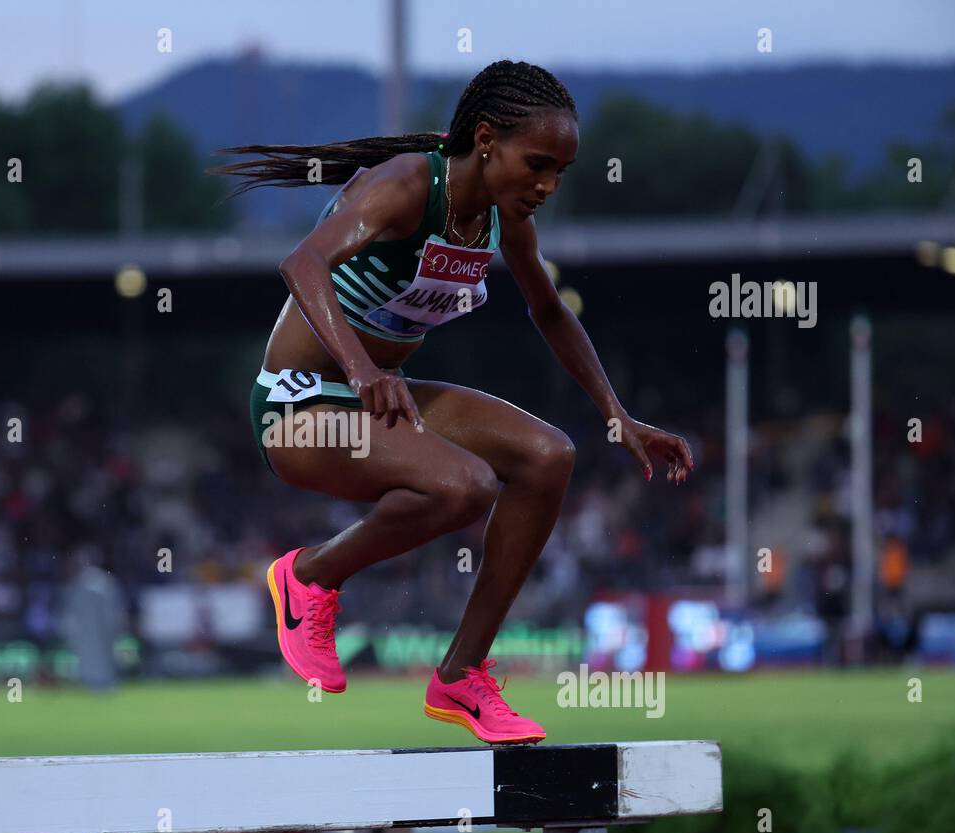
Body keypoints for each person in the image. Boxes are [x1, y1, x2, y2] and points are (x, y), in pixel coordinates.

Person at [211, 60, 693, 744]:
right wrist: (362, 366)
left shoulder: (503, 213)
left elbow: (550, 311)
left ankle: (461, 676)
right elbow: (302, 263)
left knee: (549, 455)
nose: (548, 185)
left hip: (375, 396)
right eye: (538, 164)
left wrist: (618, 414)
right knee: (465, 485)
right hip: (301, 403)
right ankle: (309, 577)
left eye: (561, 170)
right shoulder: (408, 186)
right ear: (488, 139)